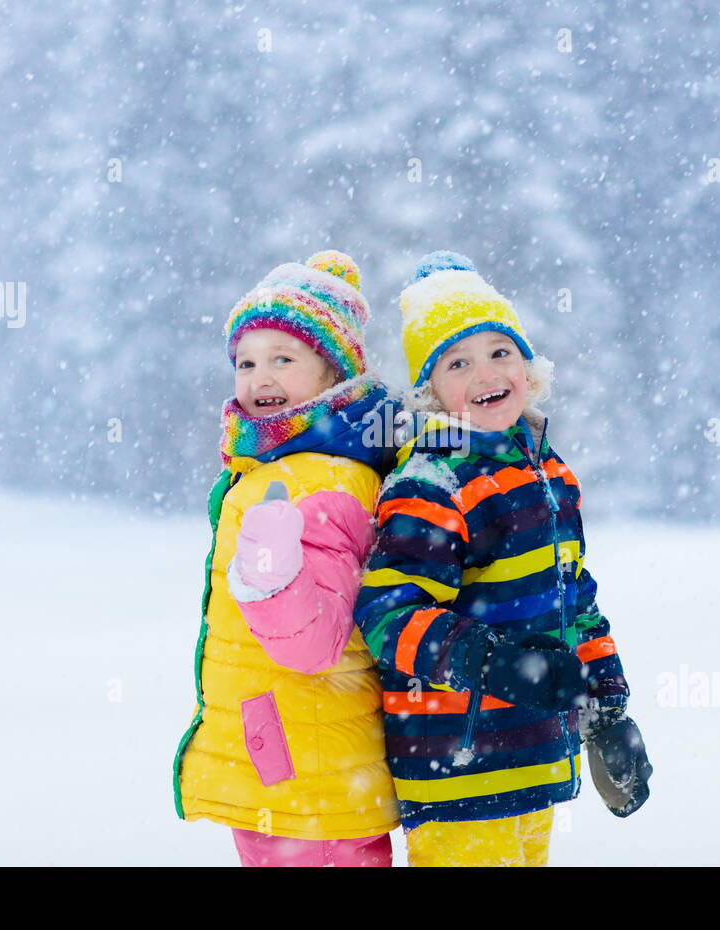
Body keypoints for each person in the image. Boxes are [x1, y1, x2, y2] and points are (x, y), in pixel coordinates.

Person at [353, 250, 652, 867]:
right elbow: (388, 614)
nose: (484, 372)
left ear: (527, 365)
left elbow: (576, 603)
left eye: (499, 351)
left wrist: (607, 710)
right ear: (431, 390)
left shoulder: (544, 470)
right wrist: (493, 663)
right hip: (458, 768)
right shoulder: (432, 481)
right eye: (456, 362)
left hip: (535, 754)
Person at [172, 250, 399, 866]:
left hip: (308, 773)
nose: (258, 378)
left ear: (331, 374)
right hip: (297, 761)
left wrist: (270, 574)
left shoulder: (320, 478)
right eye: (246, 361)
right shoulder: (283, 468)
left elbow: (312, 644)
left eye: (283, 359)